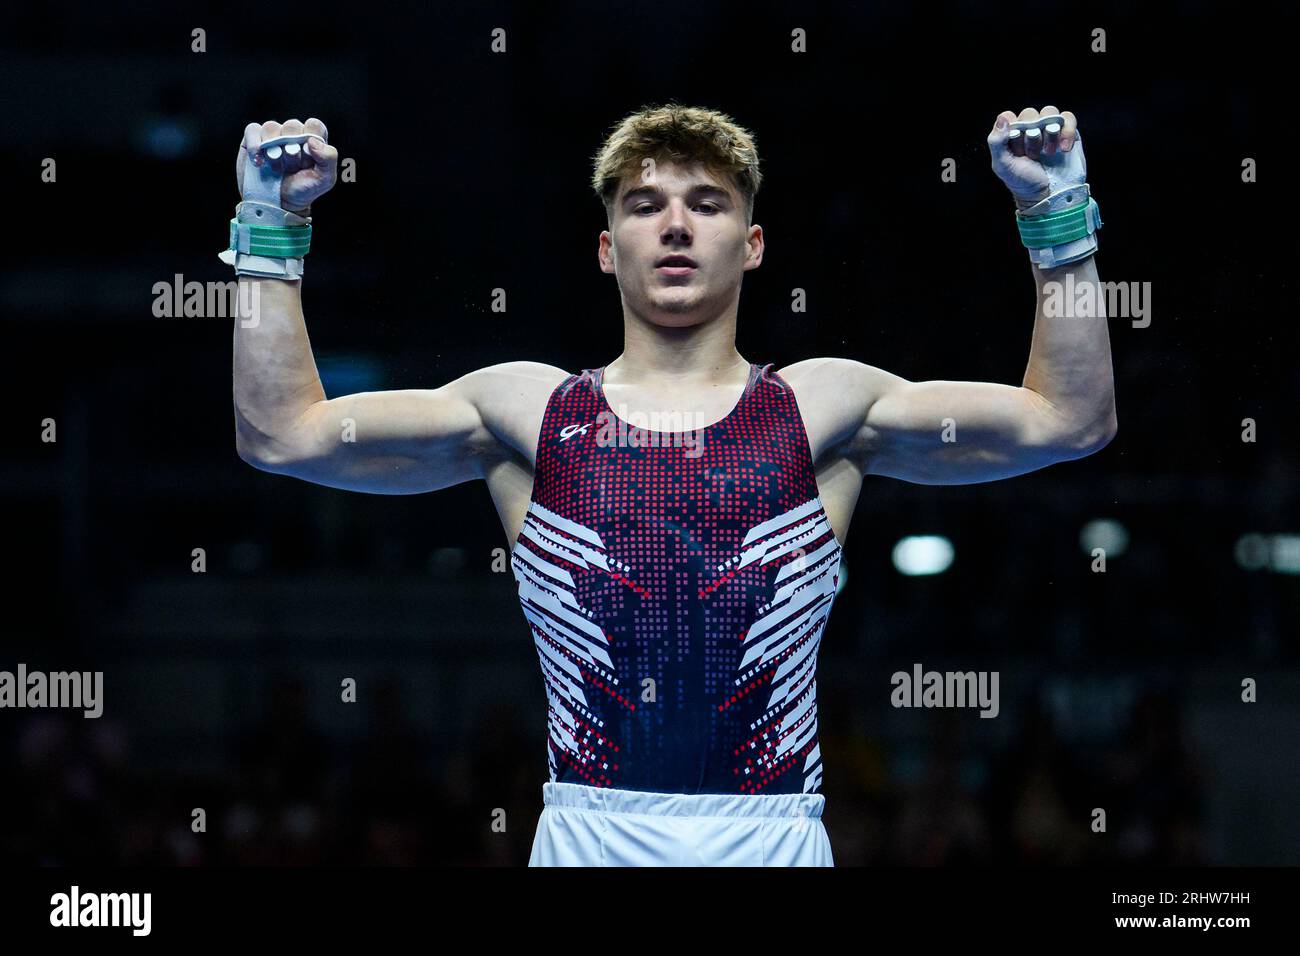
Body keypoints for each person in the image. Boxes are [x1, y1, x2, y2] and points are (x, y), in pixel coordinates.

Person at [229, 102, 1116, 866]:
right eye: (646, 206)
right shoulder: (524, 411)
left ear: (753, 243)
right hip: (590, 836)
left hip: (769, 838)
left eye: (707, 203)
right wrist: (268, 226)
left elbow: (1068, 421)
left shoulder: (824, 406)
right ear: (608, 249)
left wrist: (1056, 212)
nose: (678, 226)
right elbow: (283, 435)